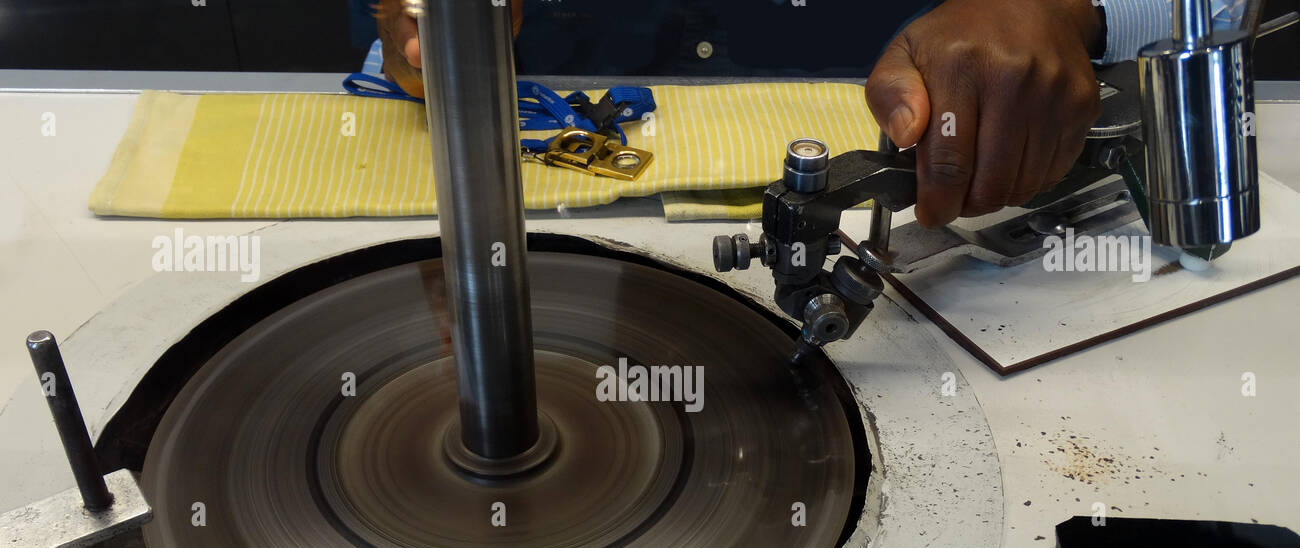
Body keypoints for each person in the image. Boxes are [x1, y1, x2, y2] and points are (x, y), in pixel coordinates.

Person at [377, 0, 1248, 228]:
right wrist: (426, 38)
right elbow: (393, 37)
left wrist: (1070, 6)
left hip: (962, 243)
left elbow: (1219, 10)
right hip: (515, 205)